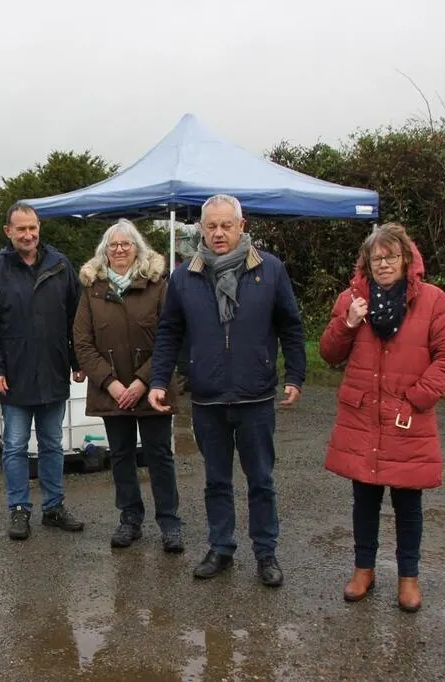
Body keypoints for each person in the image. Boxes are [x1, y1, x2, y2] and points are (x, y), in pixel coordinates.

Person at [147, 194, 306, 587]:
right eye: (211, 226)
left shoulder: (269, 270)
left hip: (255, 396)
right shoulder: (184, 276)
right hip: (208, 398)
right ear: (201, 228)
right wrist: (158, 381)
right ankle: (221, 547)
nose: (218, 233)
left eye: (226, 226)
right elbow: (169, 332)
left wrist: (295, 376)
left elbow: (291, 325)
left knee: (261, 480)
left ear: (241, 226)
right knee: (216, 481)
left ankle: (266, 553)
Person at [319, 223, 445, 612]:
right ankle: (363, 570)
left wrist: (417, 397)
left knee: (408, 503)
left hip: (407, 418)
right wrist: (347, 322)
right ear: (366, 262)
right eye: (376, 258)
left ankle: (408, 578)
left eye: (391, 257)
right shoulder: (351, 299)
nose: (383, 264)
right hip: (362, 417)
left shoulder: (433, 301)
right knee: (363, 499)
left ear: (407, 259)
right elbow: (330, 354)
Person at [0, 201, 86, 541]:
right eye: (20, 228)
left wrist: (78, 361)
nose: (28, 234)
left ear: (39, 229)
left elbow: (76, 319)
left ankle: (53, 507)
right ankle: (19, 509)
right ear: (8, 231)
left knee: (53, 443)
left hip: (52, 371)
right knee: (15, 446)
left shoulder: (60, 265)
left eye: (32, 227)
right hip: (15, 375)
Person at [73, 219, 184, 553]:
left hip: (153, 388)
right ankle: (129, 519)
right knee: (120, 455)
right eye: (113, 245)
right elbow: (82, 342)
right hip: (112, 392)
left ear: (139, 248)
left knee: (159, 455)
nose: (119, 249)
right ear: (104, 252)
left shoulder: (158, 285)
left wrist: (142, 381)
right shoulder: (92, 289)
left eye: (126, 244)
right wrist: (111, 384)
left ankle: (170, 523)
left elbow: (171, 336)